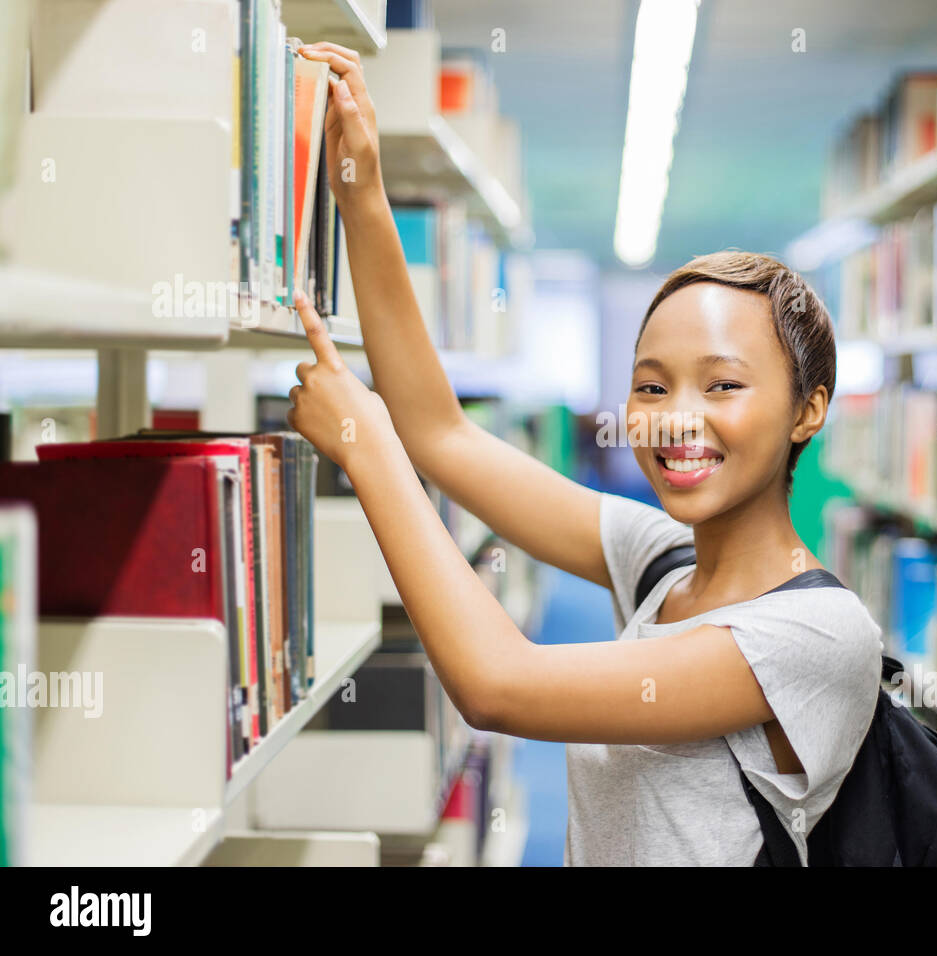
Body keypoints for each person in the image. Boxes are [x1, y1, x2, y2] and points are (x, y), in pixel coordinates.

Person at [288, 42, 883, 866]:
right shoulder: (665, 565)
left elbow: (498, 686)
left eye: (722, 387)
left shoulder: (816, 635)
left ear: (807, 410)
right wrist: (362, 199)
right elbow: (440, 432)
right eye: (650, 388)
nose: (676, 420)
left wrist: (362, 447)